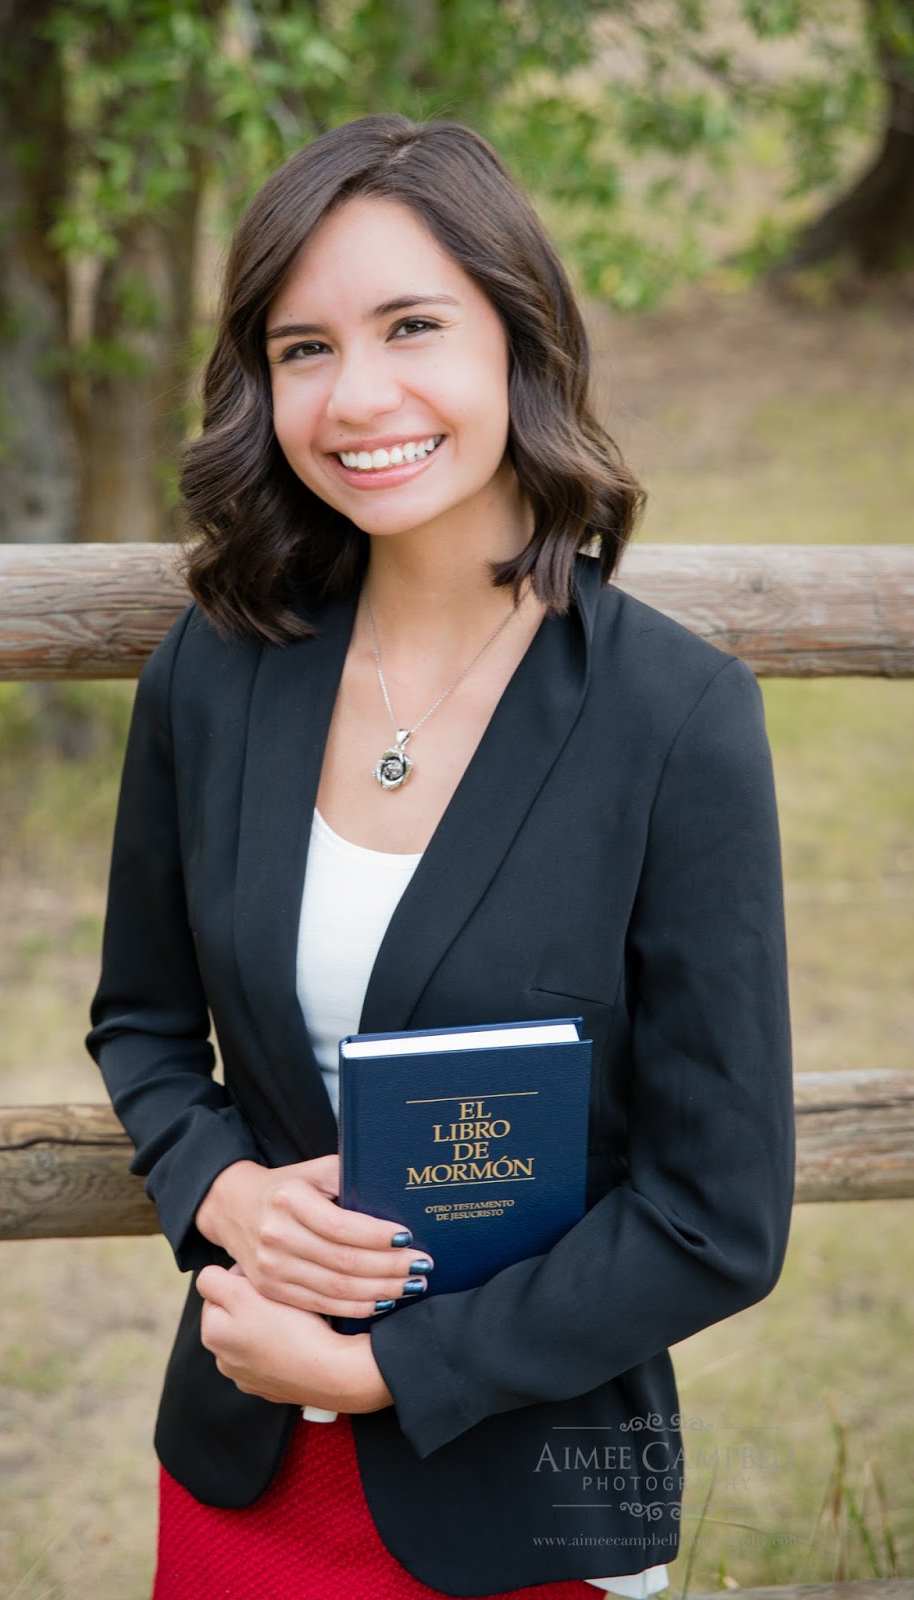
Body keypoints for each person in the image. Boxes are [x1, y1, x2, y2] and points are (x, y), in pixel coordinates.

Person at [87, 114, 795, 1600]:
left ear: (519, 338)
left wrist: (388, 1370)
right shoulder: (214, 675)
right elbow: (143, 1025)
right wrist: (223, 1191)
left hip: (533, 1504)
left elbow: (715, 1218)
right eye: (302, 348)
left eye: (413, 325)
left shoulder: (678, 717)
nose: (359, 396)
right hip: (238, 1462)